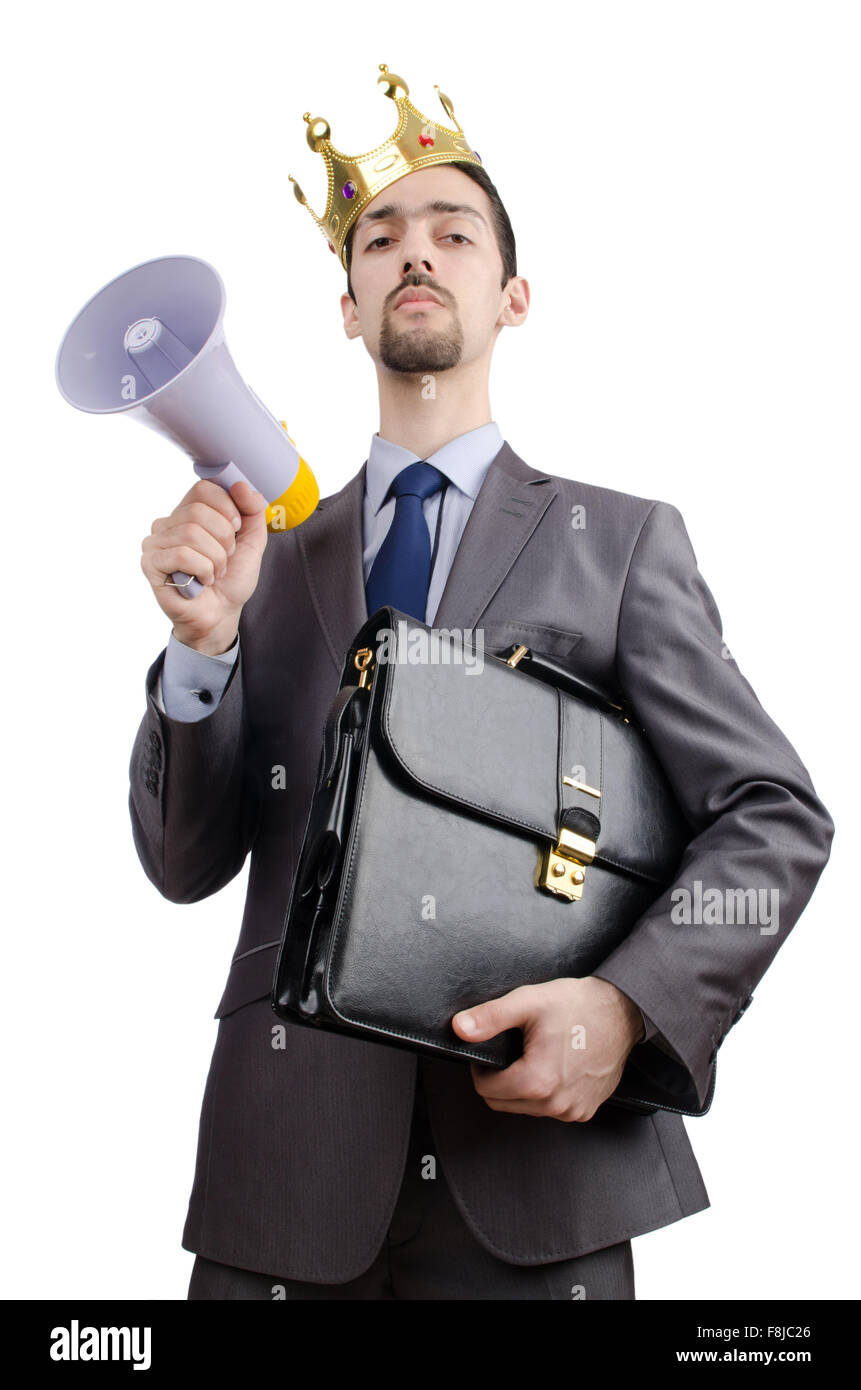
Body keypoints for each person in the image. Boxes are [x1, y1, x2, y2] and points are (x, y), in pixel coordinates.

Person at [129, 66, 834, 1300]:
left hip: (539, 1178)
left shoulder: (621, 545)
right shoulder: (263, 562)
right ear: (346, 304)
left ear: (512, 295)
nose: (416, 252)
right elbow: (186, 863)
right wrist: (204, 651)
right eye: (381, 238)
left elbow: (773, 815)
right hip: (283, 1172)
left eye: (454, 233)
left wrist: (625, 1011)